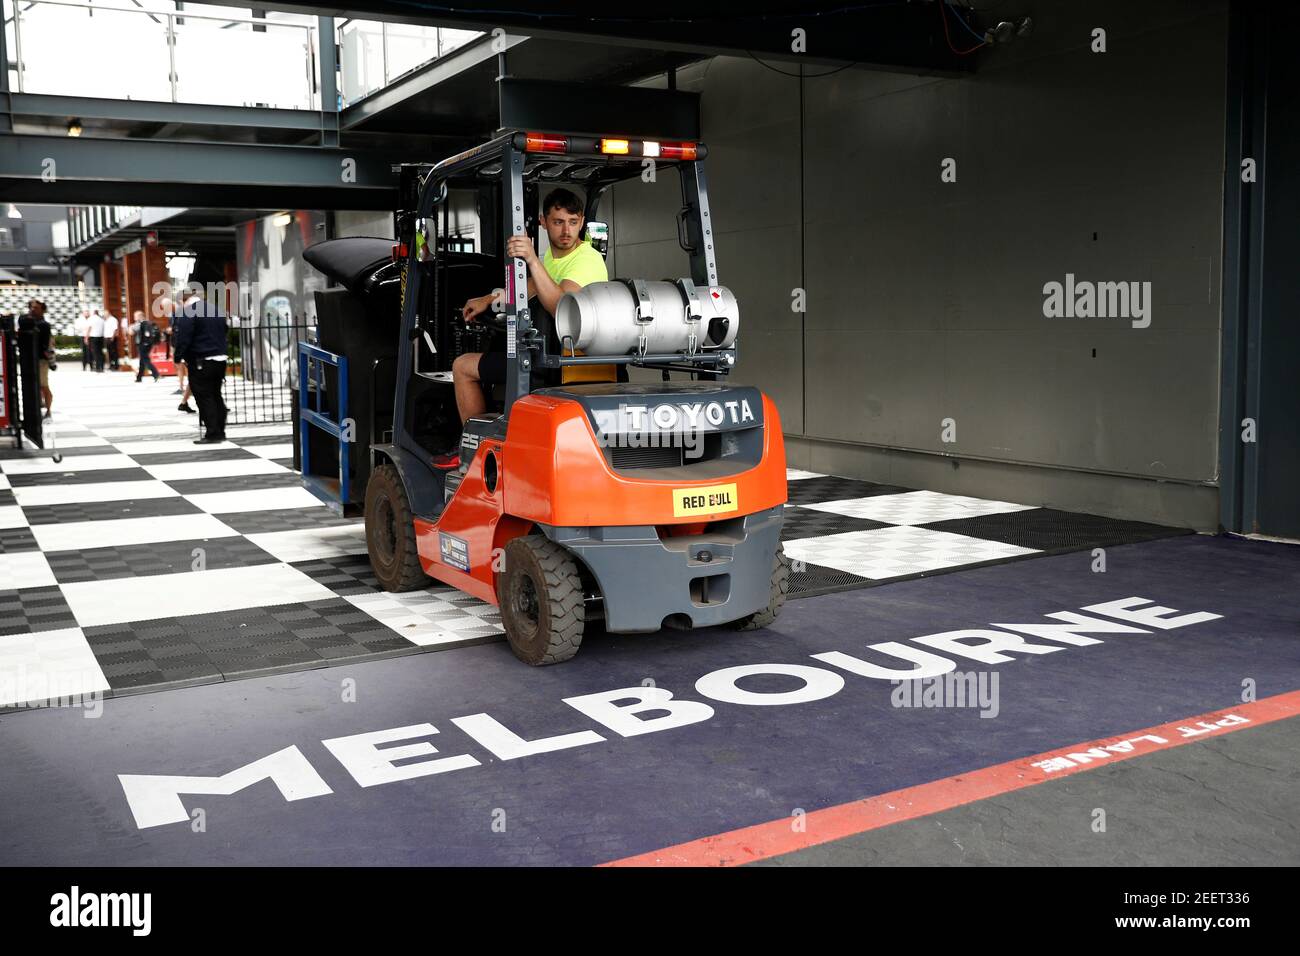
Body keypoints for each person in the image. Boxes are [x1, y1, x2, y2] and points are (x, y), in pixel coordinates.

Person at [452, 188, 608, 428]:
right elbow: (530, 288)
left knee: (462, 366)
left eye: (573, 222)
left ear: (582, 223)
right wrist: (488, 299)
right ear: (543, 222)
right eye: (558, 222)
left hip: (562, 363)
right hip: (544, 355)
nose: (567, 231)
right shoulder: (551, 259)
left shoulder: (587, 259)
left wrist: (531, 259)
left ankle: (472, 446)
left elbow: (561, 310)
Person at [169, 291, 228, 443]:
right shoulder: (215, 309)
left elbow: (184, 337)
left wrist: (178, 356)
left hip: (202, 360)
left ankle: (213, 433)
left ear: (183, 301)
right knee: (216, 394)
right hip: (220, 358)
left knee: (204, 396)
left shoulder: (189, 312)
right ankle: (220, 430)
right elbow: (224, 330)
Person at [19, 300, 54, 419]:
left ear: (42, 310)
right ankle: (40, 406)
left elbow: (45, 344)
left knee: (43, 385)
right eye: (32, 307)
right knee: (36, 386)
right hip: (31, 359)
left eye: (36, 308)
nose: (33, 310)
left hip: (41, 360)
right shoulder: (30, 321)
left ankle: (48, 410)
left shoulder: (43, 324)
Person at [130, 310, 161, 382]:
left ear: (140, 316)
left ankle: (156, 374)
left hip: (142, 344)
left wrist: (131, 327)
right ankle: (139, 377)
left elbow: (131, 332)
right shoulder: (149, 322)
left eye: (135, 316)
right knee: (142, 360)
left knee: (145, 360)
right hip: (148, 344)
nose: (134, 318)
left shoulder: (140, 324)